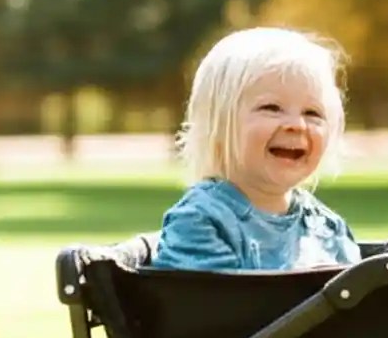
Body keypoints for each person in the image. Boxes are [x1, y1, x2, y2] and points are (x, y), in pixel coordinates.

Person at [149, 26, 361, 271]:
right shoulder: (202, 221)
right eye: (271, 108)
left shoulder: (326, 228)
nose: (296, 124)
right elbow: (206, 305)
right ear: (217, 123)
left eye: (312, 113)